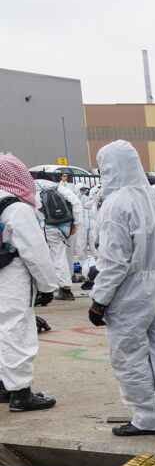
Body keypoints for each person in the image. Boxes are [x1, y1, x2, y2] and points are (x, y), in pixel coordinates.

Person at [88, 141, 155, 436]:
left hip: (131, 291)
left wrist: (99, 300)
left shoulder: (115, 204)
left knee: (129, 355)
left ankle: (146, 418)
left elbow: (114, 262)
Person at [0, 155, 59, 412]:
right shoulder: (16, 209)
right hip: (11, 280)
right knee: (17, 332)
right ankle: (21, 394)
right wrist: (47, 287)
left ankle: (5, 386)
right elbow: (36, 253)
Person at [34, 174, 82, 301]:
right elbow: (76, 202)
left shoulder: (35, 188)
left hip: (51, 227)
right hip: (67, 225)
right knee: (67, 256)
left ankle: (65, 289)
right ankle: (64, 283)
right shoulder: (58, 187)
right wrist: (76, 223)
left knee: (57, 257)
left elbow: (36, 211)